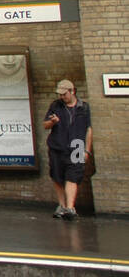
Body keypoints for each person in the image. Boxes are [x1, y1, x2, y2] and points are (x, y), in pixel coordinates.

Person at [44, 79, 92, 221]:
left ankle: (70, 207)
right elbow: (45, 125)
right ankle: (62, 205)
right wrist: (52, 122)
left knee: (74, 175)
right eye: (60, 94)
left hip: (77, 145)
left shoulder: (84, 107)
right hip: (57, 145)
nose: (62, 97)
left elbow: (88, 129)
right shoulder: (55, 106)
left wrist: (87, 150)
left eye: (64, 94)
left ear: (72, 91)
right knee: (57, 175)